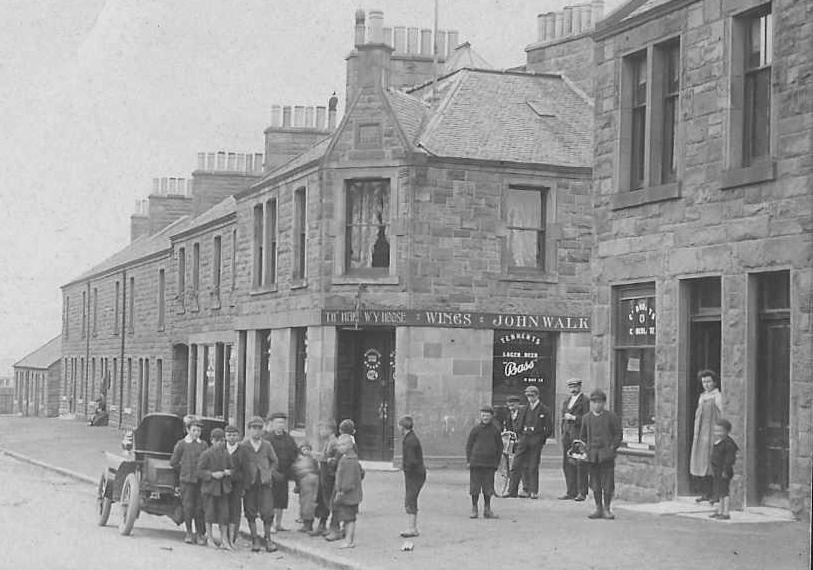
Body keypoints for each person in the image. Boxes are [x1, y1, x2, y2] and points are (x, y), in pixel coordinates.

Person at [237, 416, 279, 553]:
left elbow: (274, 461)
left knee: (267, 511)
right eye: (254, 428)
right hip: (250, 484)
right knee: (250, 511)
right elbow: (239, 464)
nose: (256, 431)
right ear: (249, 429)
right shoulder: (243, 445)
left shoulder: (267, 445)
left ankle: (268, 539)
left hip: (264, 483)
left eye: (259, 428)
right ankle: (255, 539)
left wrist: (269, 472)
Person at [580, 389, 622, 520]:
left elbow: (618, 434)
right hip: (592, 456)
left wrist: (612, 448)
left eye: (599, 402)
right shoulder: (586, 418)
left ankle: (607, 508)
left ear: (604, 403)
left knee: (608, 483)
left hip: (606, 455)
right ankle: (598, 508)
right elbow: (582, 437)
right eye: (594, 402)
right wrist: (585, 451)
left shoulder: (611, 417)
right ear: (591, 403)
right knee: (595, 483)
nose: (597, 405)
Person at [507, 385, 553, 499]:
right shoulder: (523, 409)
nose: (530, 398)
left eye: (532, 395)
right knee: (516, 464)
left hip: (536, 440)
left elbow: (549, 428)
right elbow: (518, 425)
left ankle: (533, 491)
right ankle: (512, 491)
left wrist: (540, 439)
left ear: (537, 396)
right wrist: (521, 434)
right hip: (524, 439)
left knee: (533, 466)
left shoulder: (544, 410)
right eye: (528, 396)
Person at [170, 416, 209, 544]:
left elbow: (207, 461)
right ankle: (188, 532)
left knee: (199, 508)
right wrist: (183, 470)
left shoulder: (203, 445)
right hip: (186, 481)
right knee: (188, 507)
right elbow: (173, 462)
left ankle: (199, 534)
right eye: (194, 430)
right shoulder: (182, 444)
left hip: (200, 481)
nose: (196, 433)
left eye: (198, 431)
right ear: (188, 430)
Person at [197, 427, 233, 549]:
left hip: (223, 489)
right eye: (217, 440)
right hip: (210, 488)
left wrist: (229, 472)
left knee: (224, 515)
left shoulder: (226, 454)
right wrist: (212, 474)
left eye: (222, 441)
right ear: (212, 440)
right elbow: (199, 471)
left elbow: (232, 468)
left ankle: (224, 540)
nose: (220, 443)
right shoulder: (206, 454)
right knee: (209, 514)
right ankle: (210, 538)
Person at [465, 405, 503, 519]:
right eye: (483, 415)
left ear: (492, 416)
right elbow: (469, 445)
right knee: (475, 487)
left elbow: (500, 447)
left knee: (488, 487)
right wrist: (469, 460)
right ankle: (474, 509)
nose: (485, 417)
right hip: (476, 463)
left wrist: (497, 462)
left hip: (489, 464)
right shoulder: (475, 429)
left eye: (487, 415)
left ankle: (487, 509)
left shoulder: (495, 430)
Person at [690, 370, 723, 503]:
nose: (706, 384)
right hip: (702, 434)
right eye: (704, 382)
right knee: (703, 463)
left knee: (713, 463)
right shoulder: (702, 397)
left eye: (709, 381)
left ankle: (716, 494)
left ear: (714, 382)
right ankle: (706, 492)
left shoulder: (718, 396)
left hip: (712, 434)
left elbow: (721, 414)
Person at [264, 412, 299, 533]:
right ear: (272, 423)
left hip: (284, 474)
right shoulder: (267, 439)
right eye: (278, 422)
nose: (281, 425)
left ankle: (279, 524)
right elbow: (264, 457)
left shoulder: (289, 439)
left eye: (283, 423)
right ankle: (271, 524)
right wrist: (272, 471)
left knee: (282, 500)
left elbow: (294, 454)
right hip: (271, 474)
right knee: (271, 500)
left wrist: (291, 471)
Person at [560, 378, 590, 501]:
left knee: (580, 464)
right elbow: (562, 419)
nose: (573, 389)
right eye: (571, 387)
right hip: (567, 436)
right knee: (567, 464)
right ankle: (570, 491)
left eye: (575, 387)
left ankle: (581, 492)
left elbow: (587, 418)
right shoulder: (567, 401)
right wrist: (563, 432)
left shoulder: (585, 401)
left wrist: (574, 418)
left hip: (578, 436)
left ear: (580, 387)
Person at [333, 434, 363, 549]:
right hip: (349, 495)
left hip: (348, 495)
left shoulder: (349, 461)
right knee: (347, 517)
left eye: (343, 444)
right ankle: (347, 539)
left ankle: (349, 540)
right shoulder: (347, 458)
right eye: (339, 445)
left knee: (349, 518)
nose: (340, 447)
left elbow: (348, 480)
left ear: (350, 445)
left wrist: (341, 491)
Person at [399, 415, 426, 538]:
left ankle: (412, 528)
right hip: (416, 474)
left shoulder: (410, 441)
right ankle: (412, 527)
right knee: (411, 499)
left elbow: (411, 460)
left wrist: (406, 468)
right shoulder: (411, 438)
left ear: (403, 427)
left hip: (414, 475)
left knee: (410, 499)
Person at [312, 420, 339, 537]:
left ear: (329, 430)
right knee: (323, 499)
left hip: (329, 476)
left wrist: (318, 456)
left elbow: (333, 459)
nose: (320, 432)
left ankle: (334, 527)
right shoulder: (328, 441)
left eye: (322, 429)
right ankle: (322, 525)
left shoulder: (334, 443)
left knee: (329, 500)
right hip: (324, 475)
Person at [709, 418, 738, 521]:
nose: (718, 433)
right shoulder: (718, 442)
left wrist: (726, 470)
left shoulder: (728, 444)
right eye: (716, 431)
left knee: (724, 492)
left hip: (724, 471)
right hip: (717, 470)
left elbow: (729, 459)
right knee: (719, 491)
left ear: (727, 431)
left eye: (720, 431)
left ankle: (726, 512)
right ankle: (719, 511)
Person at [293, 441, 320, 533]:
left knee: (308, 502)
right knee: (305, 502)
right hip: (304, 482)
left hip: (309, 481)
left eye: (307, 449)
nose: (306, 451)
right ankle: (306, 521)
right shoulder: (302, 460)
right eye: (304, 449)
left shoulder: (309, 460)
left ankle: (308, 524)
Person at [224, 424, 243, 548]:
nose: (231, 437)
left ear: (238, 437)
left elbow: (246, 469)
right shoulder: (221, 448)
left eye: (234, 435)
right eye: (229, 435)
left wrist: (234, 474)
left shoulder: (243, 450)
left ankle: (232, 538)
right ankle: (224, 538)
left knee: (235, 511)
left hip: (237, 486)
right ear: (225, 436)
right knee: (223, 510)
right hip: (222, 485)